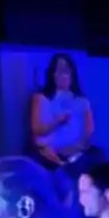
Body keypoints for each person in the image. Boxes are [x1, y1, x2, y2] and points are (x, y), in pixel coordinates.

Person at [31, 53, 99, 182]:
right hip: (48, 154)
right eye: (58, 69)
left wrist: (75, 149)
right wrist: (57, 121)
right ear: (52, 73)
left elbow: (89, 132)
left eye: (66, 70)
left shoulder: (82, 101)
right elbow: (36, 130)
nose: (62, 74)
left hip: (75, 154)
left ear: (72, 73)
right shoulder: (41, 98)